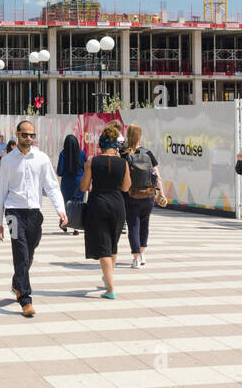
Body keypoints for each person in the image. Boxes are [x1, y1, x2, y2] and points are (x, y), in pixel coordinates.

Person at [0, 119, 68, 318]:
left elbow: (51, 186)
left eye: (32, 135)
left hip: (35, 213)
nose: (29, 138)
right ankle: (25, 299)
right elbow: (1, 191)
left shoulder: (41, 159)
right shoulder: (8, 161)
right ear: (17, 135)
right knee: (20, 253)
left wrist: (60, 209)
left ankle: (18, 283)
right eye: (25, 134)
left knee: (30, 252)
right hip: (14, 212)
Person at [79, 122, 130, 299]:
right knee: (113, 246)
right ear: (116, 145)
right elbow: (126, 188)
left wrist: (88, 170)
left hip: (98, 205)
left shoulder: (92, 161)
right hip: (118, 206)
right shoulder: (123, 163)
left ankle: (110, 289)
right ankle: (108, 278)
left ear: (100, 144)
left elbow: (84, 186)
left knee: (103, 248)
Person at [121, 124, 166, 268]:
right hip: (148, 195)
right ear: (140, 137)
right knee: (144, 225)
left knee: (133, 225)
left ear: (127, 136)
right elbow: (157, 176)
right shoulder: (148, 153)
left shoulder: (123, 154)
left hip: (130, 195)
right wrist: (162, 194)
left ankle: (135, 258)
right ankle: (142, 254)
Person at [57, 134, 87, 235]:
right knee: (77, 203)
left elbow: (59, 172)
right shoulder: (82, 153)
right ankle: (76, 228)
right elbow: (86, 167)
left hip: (67, 183)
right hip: (80, 182)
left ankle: (64, 222)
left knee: (66, 203)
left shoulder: (63, 154)